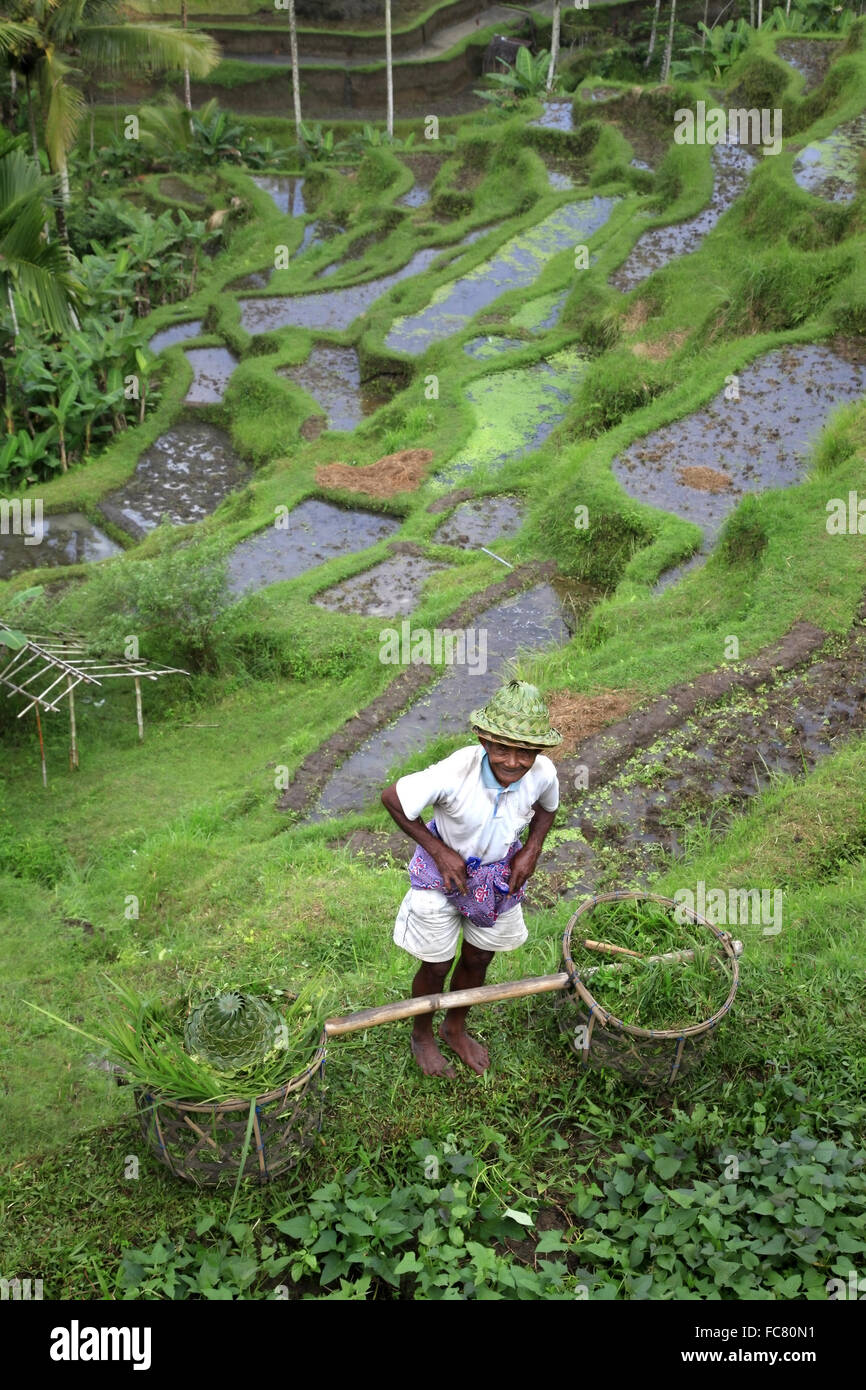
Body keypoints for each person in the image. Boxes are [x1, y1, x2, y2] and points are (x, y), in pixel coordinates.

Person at [381, 679, 561, 1078]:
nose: (513, 761)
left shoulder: (543, 772)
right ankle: (422, 1034)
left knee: (479, 956)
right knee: (436, 963)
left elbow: (548, 807)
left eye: (525, 752)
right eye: (502, 748)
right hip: (442, 876)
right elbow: (393, 798)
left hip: (497, 877)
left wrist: (531, 850)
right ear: (483, 739)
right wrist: (440, 851)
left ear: (539, 751)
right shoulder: (452, 772)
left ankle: (455, 1027)